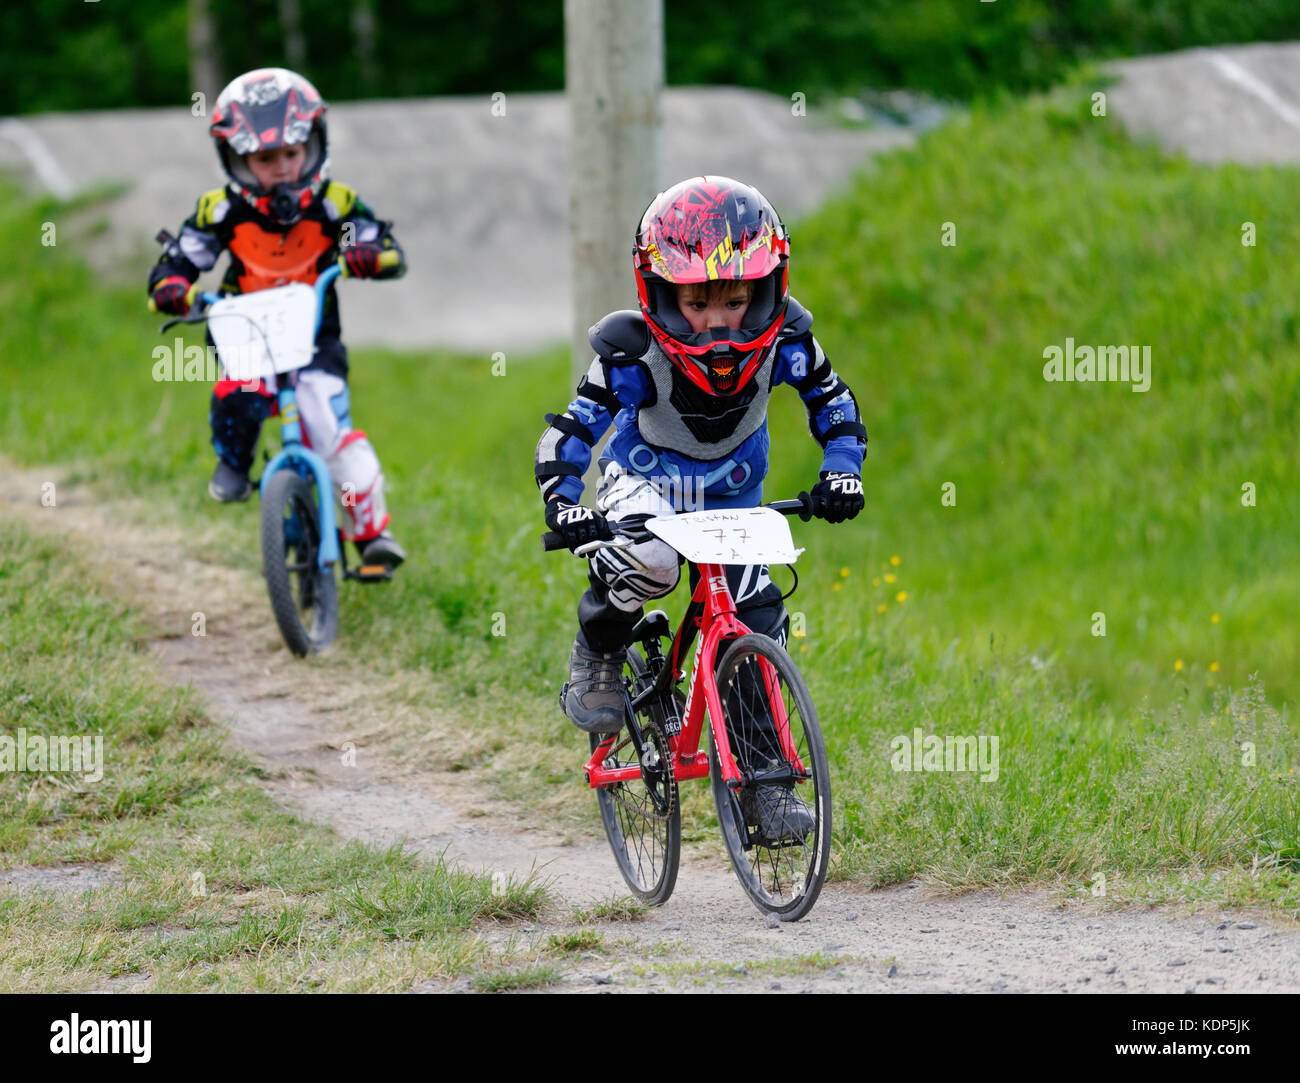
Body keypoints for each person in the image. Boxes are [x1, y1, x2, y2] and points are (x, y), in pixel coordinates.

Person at [534, 175, 866, 840]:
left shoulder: (789, 339)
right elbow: (569, 433)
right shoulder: (630, 351)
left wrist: (842, 472)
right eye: (698, 300)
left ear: (769, 288)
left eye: (738, 299)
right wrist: (563, 503)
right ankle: (598, 649)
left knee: (755, 619)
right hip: (644, 484)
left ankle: (765, 789)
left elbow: (835, 405)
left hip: (735, 491)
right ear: (659, 293)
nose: (719, 321)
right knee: (652, 563)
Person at [148, 67, 406, 568]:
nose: (283, 169)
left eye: (292, 153)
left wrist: (367, 255)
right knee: (240, 392)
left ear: (314, 145)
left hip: (314, 339)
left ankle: (371, 535)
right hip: (243, 330)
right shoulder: (219, 210)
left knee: (329, 430)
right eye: (266, 158)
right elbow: (181, 259)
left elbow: (382, 244)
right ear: (237, 159)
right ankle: (235, 463)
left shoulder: (335, 204)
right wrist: (172, 286)